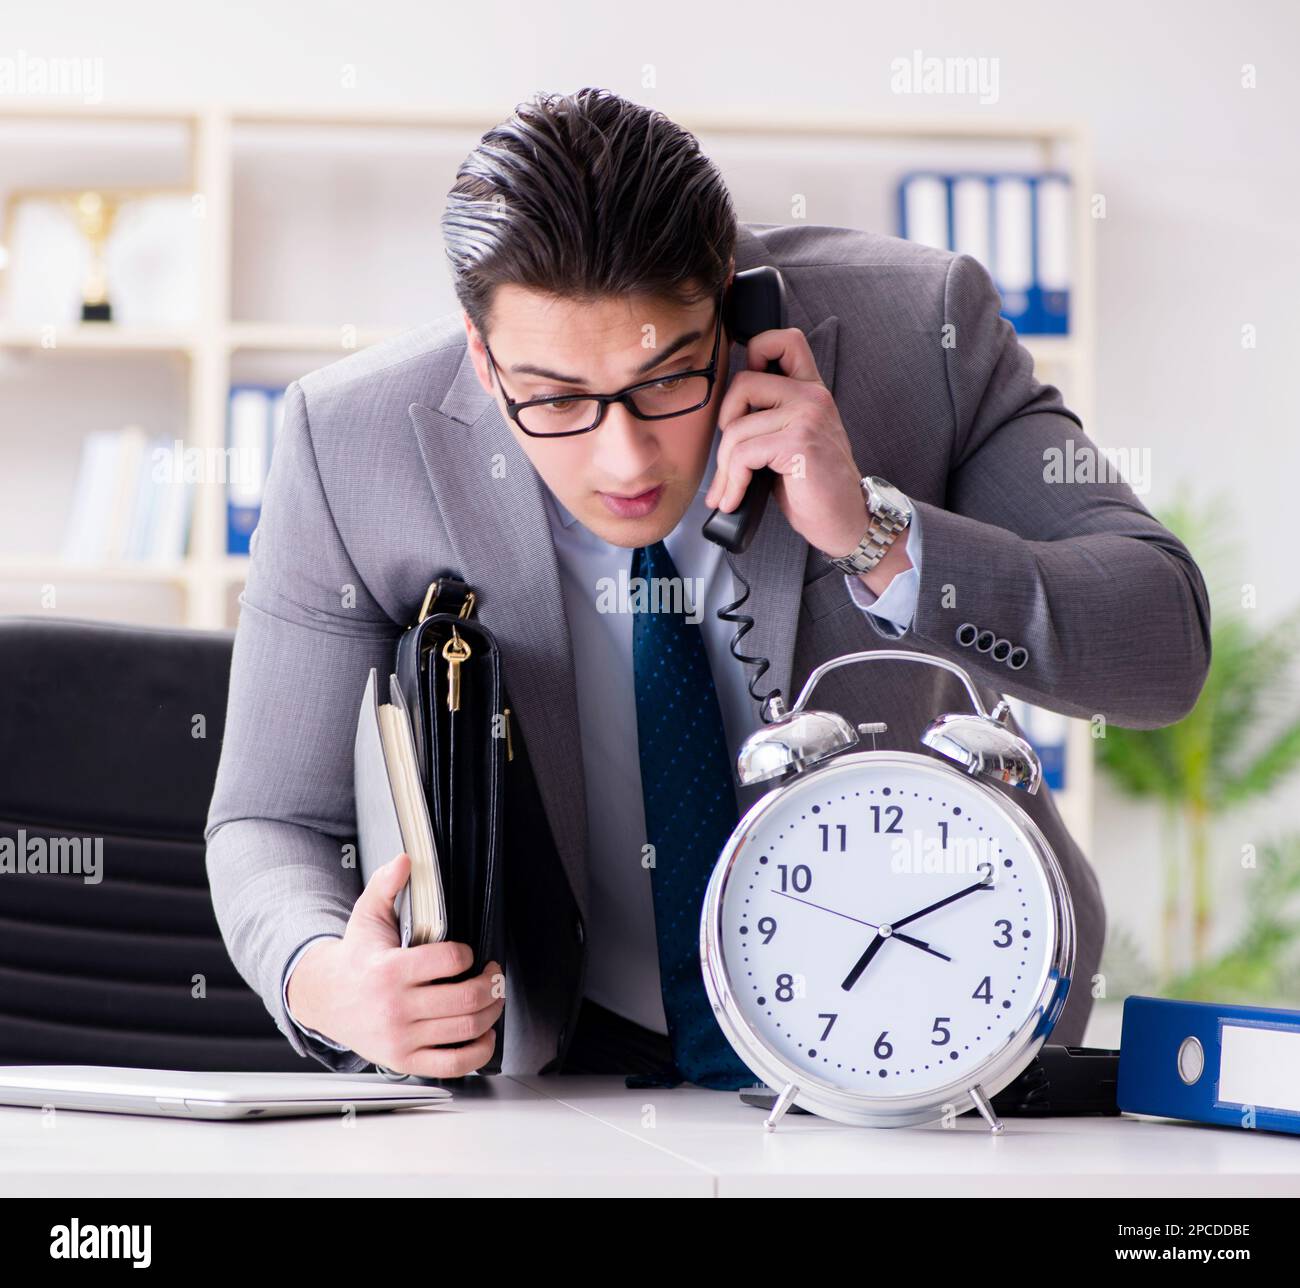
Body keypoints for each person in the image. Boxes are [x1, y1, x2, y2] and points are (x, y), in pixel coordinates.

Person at [204, 87, 1211, 1087]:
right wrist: (320, 973)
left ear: (731, 298)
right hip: (560, 1064)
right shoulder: (351, 442)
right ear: (481, 353)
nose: (622, 457)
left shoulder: (920, 333)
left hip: (930, 1034)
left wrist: (873, 534)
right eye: (556, 398)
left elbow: (1161, 648)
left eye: (664, 381)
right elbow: (271, 817)